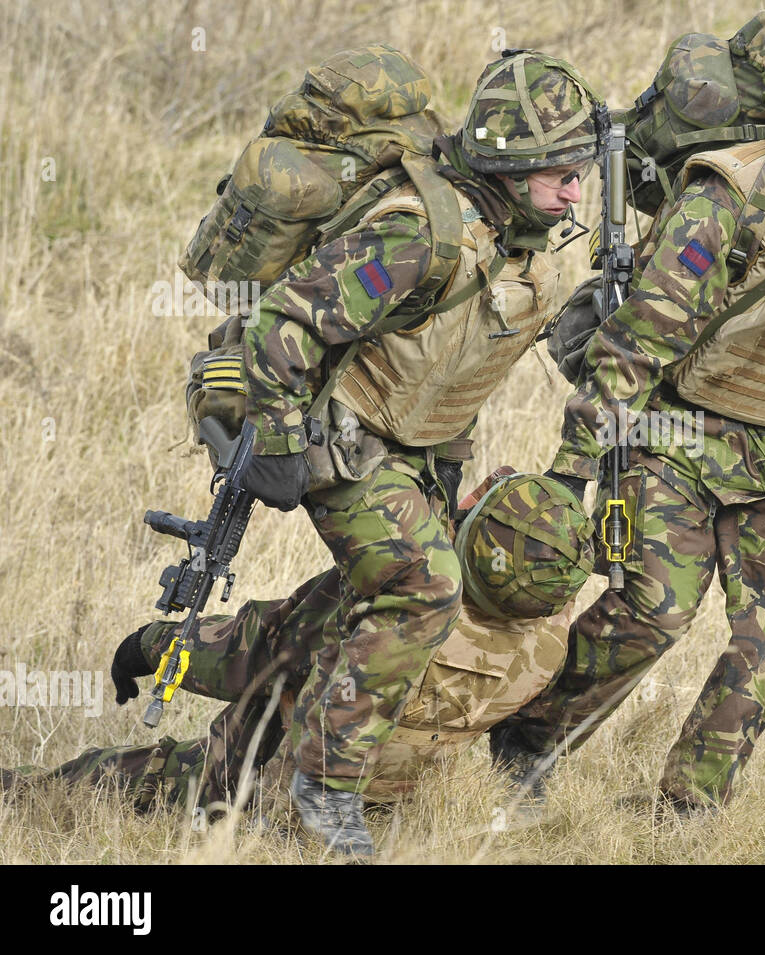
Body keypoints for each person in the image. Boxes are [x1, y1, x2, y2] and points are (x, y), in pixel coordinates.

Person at [107, 49, 602, 856]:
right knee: (424, 589)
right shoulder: (416, 231)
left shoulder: (520, 238)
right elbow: (283, 329)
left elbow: (471, 350)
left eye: (581, 174)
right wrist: (271, 437)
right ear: (512, 167)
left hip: (413, 450)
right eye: (561, 174)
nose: (576, 192)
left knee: (351, 606)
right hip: (340, 443)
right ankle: (327, 788)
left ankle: (170, 651)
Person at [490, 70, 765, 813]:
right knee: (652, 612)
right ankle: (529, 739)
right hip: (674, 432)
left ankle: (690, 805)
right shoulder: (727, 204)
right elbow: (638, 340)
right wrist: (574, 469)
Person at [2, 470, 592, 854]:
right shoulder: (549, 646)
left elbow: (253, 652)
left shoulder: (399, 606)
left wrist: (151, 646)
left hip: (284, 779)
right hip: (383, 795)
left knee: (142, 774)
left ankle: (28, 791)